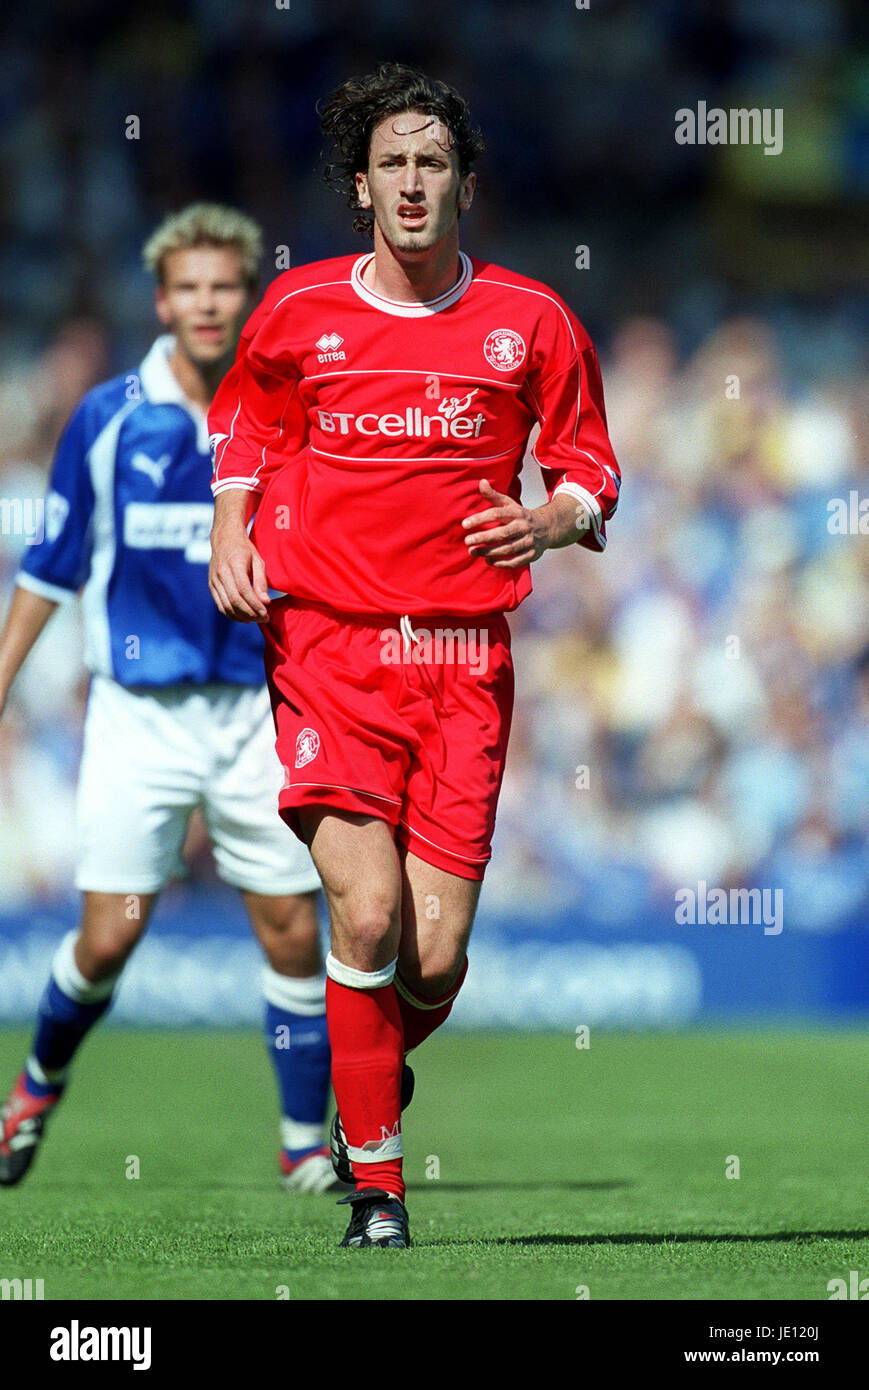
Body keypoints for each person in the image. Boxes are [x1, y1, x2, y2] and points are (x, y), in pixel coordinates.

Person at [208, 65, 621, 1248]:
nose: (409, 181)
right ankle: (379, 1192)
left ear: (463, 185)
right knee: (372, 910)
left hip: (463, 660)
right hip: (329, 648)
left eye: (430, 162)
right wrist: (234, 521)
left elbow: (592, 471)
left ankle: (366, 1086)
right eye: (390, 161)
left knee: (433, 959)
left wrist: (548, 518)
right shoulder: (295, 311)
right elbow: (247, 421)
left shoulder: (531, 321)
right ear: (359, 187)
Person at [0, 204, 341, 1195]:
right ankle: (34, 1088)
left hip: (253, 710)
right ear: (162, 300)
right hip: (136, 715)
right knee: (110, 934)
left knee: (288, 924)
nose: (206, 303)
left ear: (247, 298)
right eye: (188, 287)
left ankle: (300, 1146)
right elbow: (52, 565)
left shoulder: (285, 416)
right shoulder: (109, 418)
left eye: (224, 286)